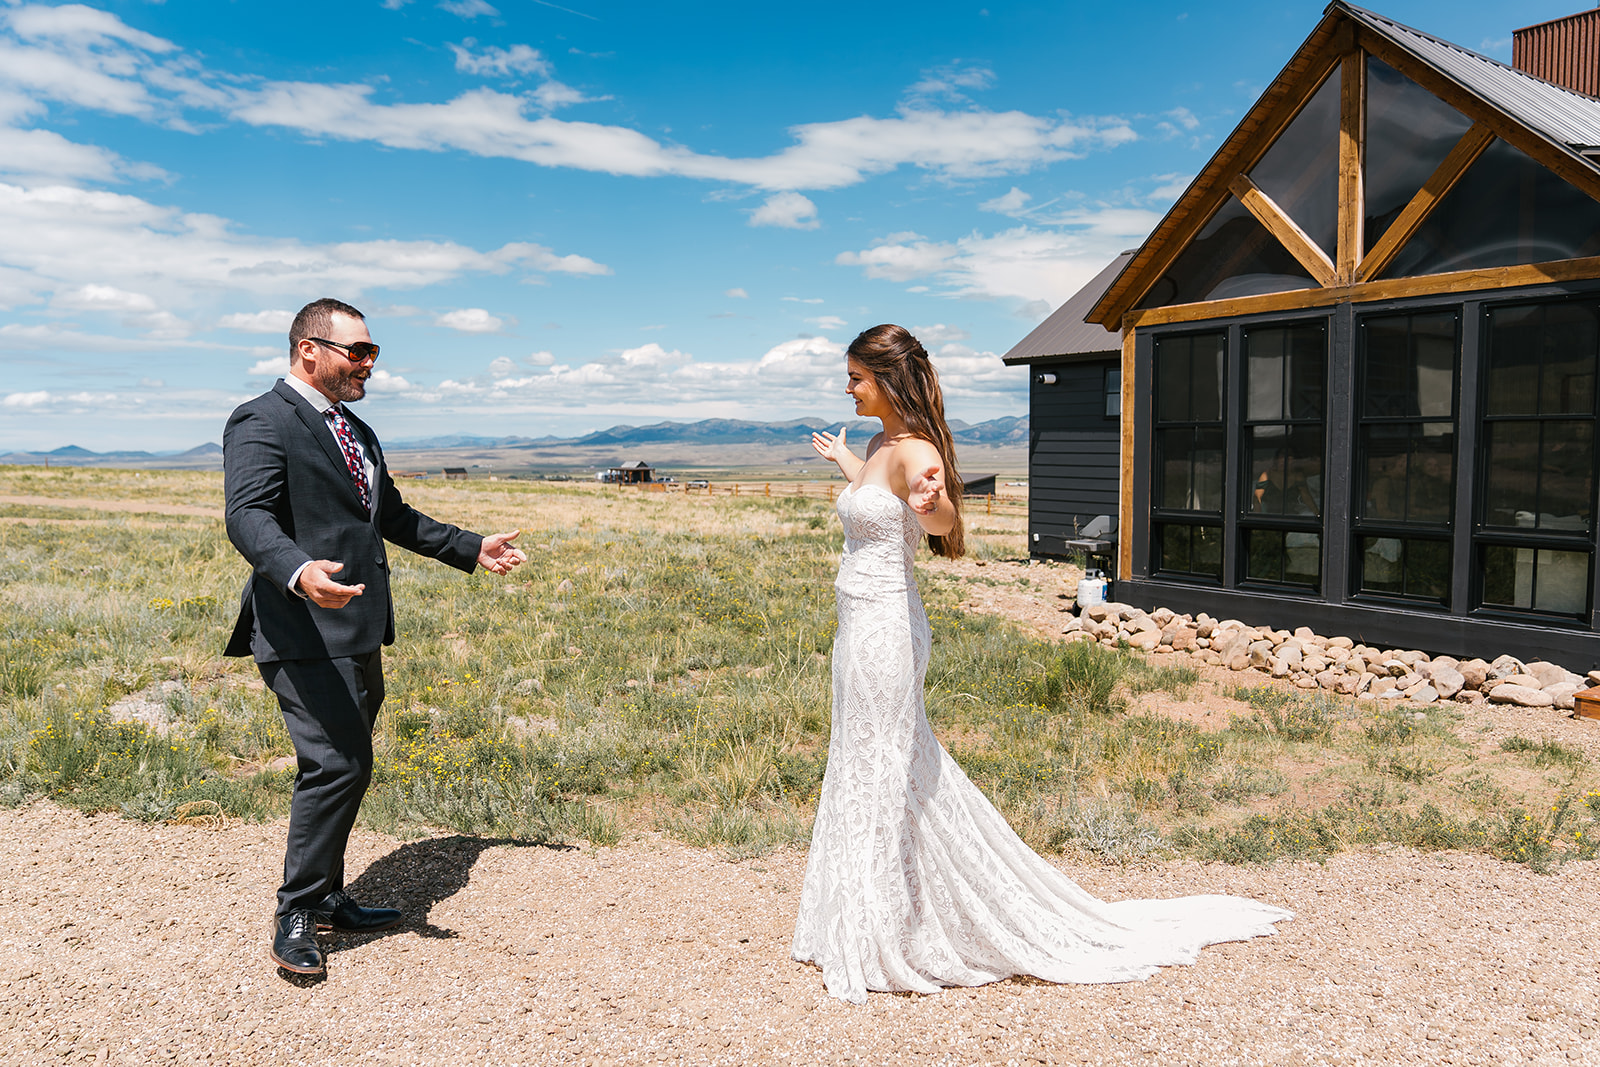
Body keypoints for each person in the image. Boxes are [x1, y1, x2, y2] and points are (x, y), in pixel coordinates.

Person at [791, 324, 1292, 1005]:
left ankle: (886, 930)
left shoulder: (916, 450)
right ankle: (865, 914)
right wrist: (846, 463)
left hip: (887, 630)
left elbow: (938, 524)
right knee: (862, 756)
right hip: (855, 627)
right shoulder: (880, 447)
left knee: (885, 760)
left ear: (886, 379)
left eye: (855, 376)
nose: (847, 387)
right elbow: (876, 500)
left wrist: (933, 505)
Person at [223, 298, 527, 976]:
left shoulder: (355, 428)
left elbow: (391, 516)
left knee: (349, 764)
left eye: (373, 352)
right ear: (309, 350)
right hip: (300, 625)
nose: (368, 364)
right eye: (355, 351)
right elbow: (246, 516)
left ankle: (327, 895)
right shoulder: (261, 419)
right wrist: (299, 572)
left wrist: (472, 547)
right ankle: (296, 913)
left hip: (357, 627)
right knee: (336, 764)